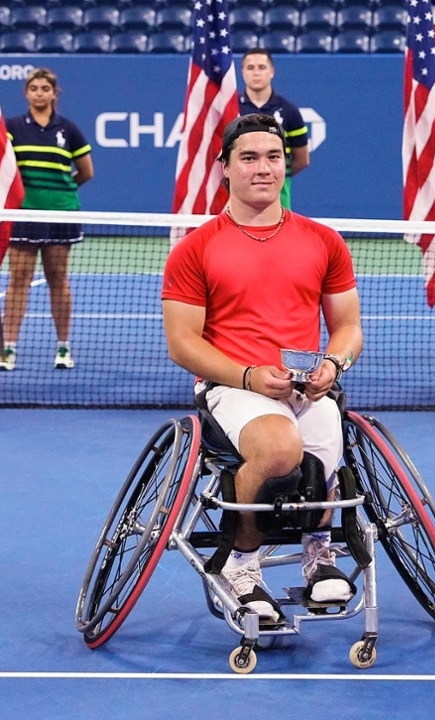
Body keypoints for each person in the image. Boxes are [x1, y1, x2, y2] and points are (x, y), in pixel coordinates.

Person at [161, 113, 363, 623]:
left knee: (323, 447)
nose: (263, 168)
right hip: (233, 385)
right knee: (280, 448)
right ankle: (242, 563)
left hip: (306, 387)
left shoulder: (323, 241)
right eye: (248, 158)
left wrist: (334, 364)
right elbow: (182, 344)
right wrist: (248, 376)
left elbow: (348, 326)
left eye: (273, 157)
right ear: (224, 168)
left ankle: (320, 558)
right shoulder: (195, 247)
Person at [0, 67, 94, 372]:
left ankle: (63, 347)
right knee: (18, 280)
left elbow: (86, 171)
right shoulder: (10, 129)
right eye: (33, 88)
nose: (39, 93)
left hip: (59, 214)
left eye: (44, 88)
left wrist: (59, 194)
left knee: (57, 279)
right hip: (23, 214)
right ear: (26, 93)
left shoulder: (69, 130)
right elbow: (0, 168)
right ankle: (8, 349)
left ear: (54, 93)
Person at [238, 48, 309, 211]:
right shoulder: (231, 109)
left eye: (262, 67)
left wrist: (274, 175)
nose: (256, 73)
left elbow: (302, 159)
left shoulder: (289, 111)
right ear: (243, 72)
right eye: (250, 68)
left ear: (271, 72)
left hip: (279, 194)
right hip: (237, 191)